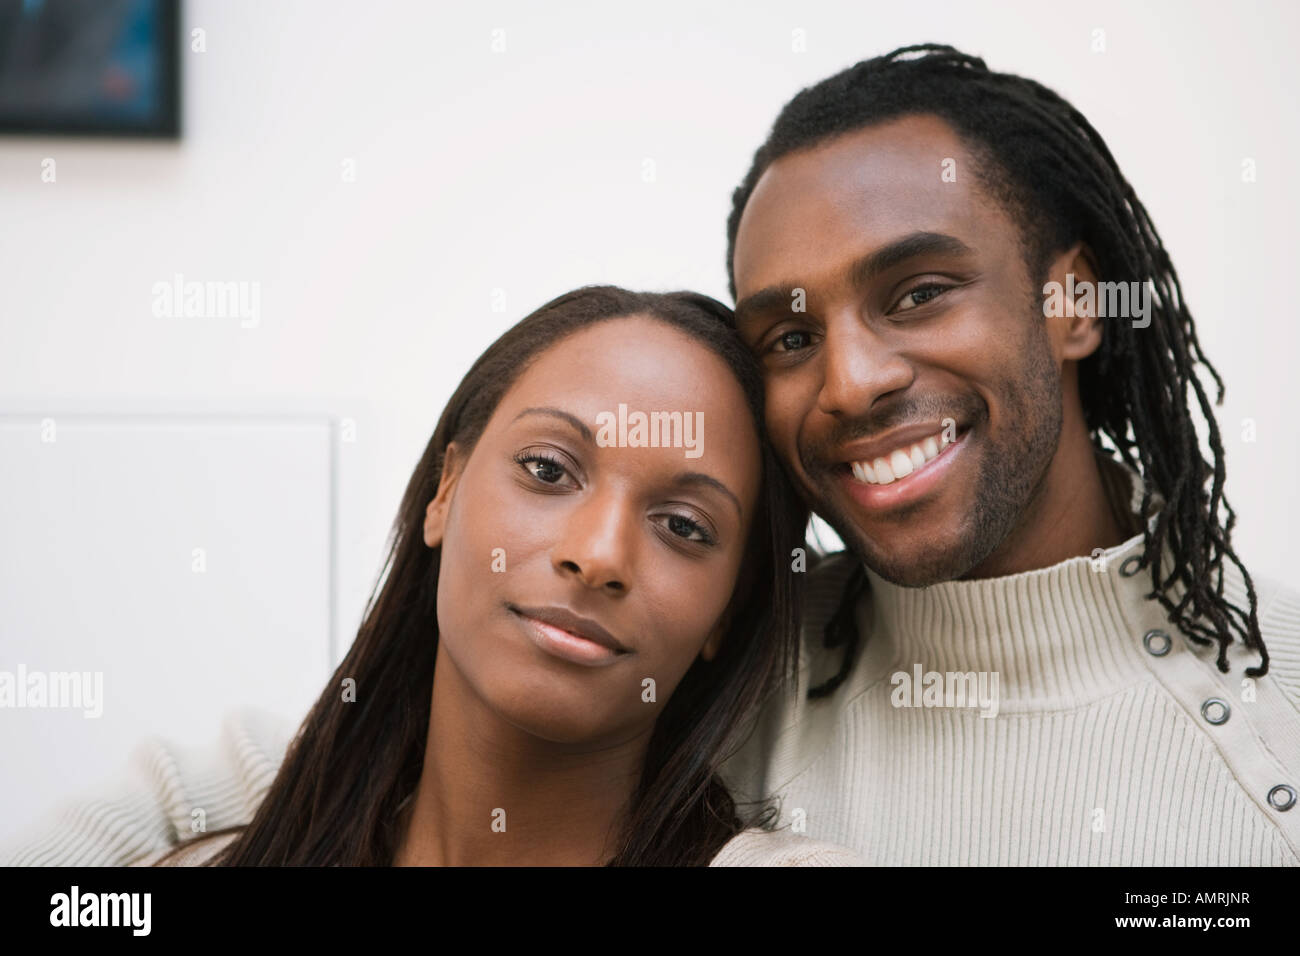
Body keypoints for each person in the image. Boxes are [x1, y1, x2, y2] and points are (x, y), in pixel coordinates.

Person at [5, 286, 863, 867]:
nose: (598, 555)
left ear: (727, 612)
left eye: (684, 527)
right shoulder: (215, 822)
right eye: (549, 470)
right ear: (445, 492)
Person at [716, 44, 1300, 864]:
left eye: (918, 294)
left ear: (1073, 303)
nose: (848, 383)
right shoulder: (712, 701)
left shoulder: (1282, 705)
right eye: (792, 336)